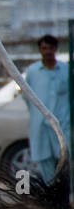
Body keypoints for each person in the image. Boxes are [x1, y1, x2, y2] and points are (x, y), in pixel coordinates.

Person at [22, 34, 71, 185]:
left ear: (55, 49)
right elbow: (26, 96)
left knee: (64, 159)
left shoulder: (66, 69)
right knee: (44, 160)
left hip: (62, 124)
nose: (47, 51)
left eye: (50, 48)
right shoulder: (32, 71)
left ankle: (65, 196)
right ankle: (51, 197)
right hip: (40, 124)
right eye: (44, 48)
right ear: (40, 50)